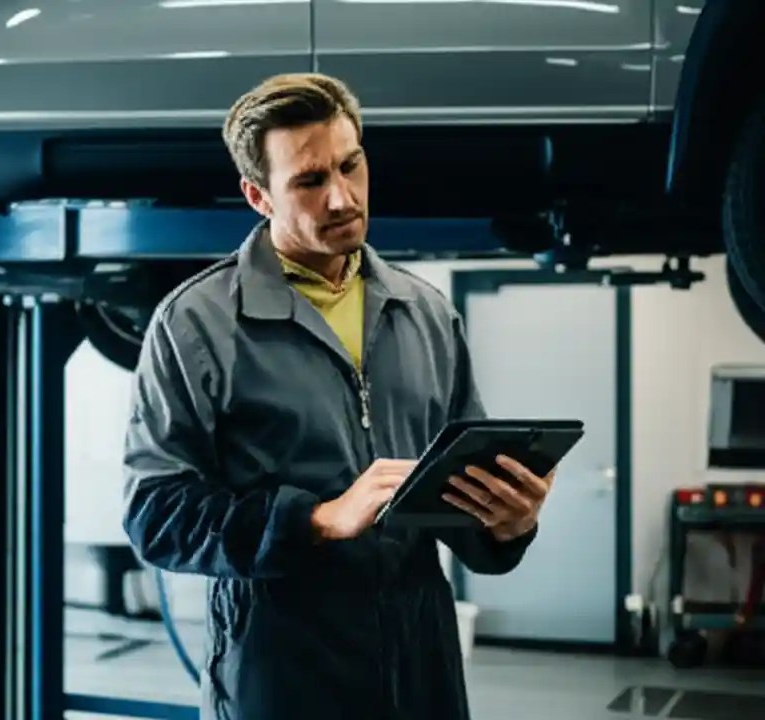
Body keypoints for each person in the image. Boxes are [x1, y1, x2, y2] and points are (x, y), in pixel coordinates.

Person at [121, 73, 558, 720]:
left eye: (351, 166)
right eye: (308, 181)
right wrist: (317, 519)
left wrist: (508, 524)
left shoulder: (426, 313)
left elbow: (461, 506)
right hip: (284, 670)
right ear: (257, 195)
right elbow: (155, 514)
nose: (341, 197)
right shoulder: (199, 323)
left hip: (421, 668)